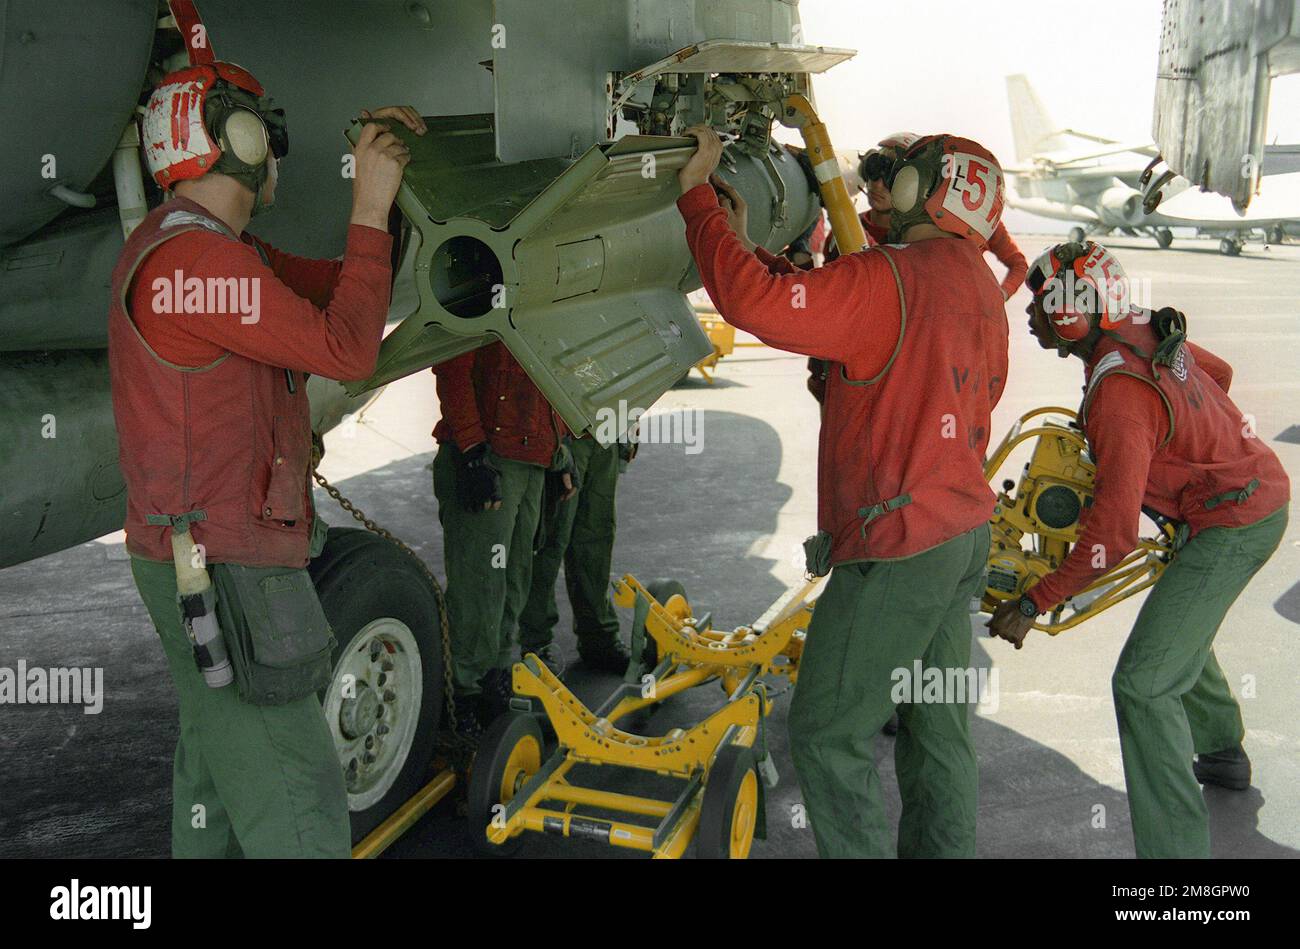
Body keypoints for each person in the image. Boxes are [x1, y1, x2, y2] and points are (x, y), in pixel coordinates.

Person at [110, 59, 421, 857]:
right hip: (225, 573)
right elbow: (347, 346)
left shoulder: (205, 249)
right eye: (264, 129)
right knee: (300, 803)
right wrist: (366, 203)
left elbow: (345, 289)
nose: (274, 150)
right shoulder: (198, 266)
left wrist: (393, 191)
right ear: (236, 139)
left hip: (195, 560)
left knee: (213, 780)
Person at [675, 128, 1009, 857]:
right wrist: (746, 240)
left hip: (899, 546)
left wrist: (698, 202)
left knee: (827, 730)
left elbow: (753, 304)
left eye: (904, 174)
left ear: (928, 191)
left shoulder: (892, 276)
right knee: (939, 731)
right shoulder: (979, 284)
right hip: (960, 536)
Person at [986, 240, 1290, 858]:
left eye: (1041, 303)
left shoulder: (1119, 395)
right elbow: (1219, 375)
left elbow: (1113, 539)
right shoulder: (1141, 334)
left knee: (1145, 685)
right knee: (1179, 632)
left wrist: (1034, 601)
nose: (1030, 312)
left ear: (1074, 311)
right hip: (1246, 495)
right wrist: (1185, 462)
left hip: (1235, 523)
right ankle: (1224, 751)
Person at [432, 343, 576, 738]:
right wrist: (472, 452)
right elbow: (452, 366)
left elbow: (549, 375)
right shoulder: (484, 286)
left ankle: (492, 681)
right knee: (480, 585)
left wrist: (559, 454)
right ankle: (459, 699)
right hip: (490, 462)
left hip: (530, 461)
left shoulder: (542, 297)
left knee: (513, 580)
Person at [517, 430, 636, 678]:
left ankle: (599, 638)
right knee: (550, 541)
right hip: (565, 437)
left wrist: (627, 426)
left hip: (604, 434)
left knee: (596, 536)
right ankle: (535, 644)